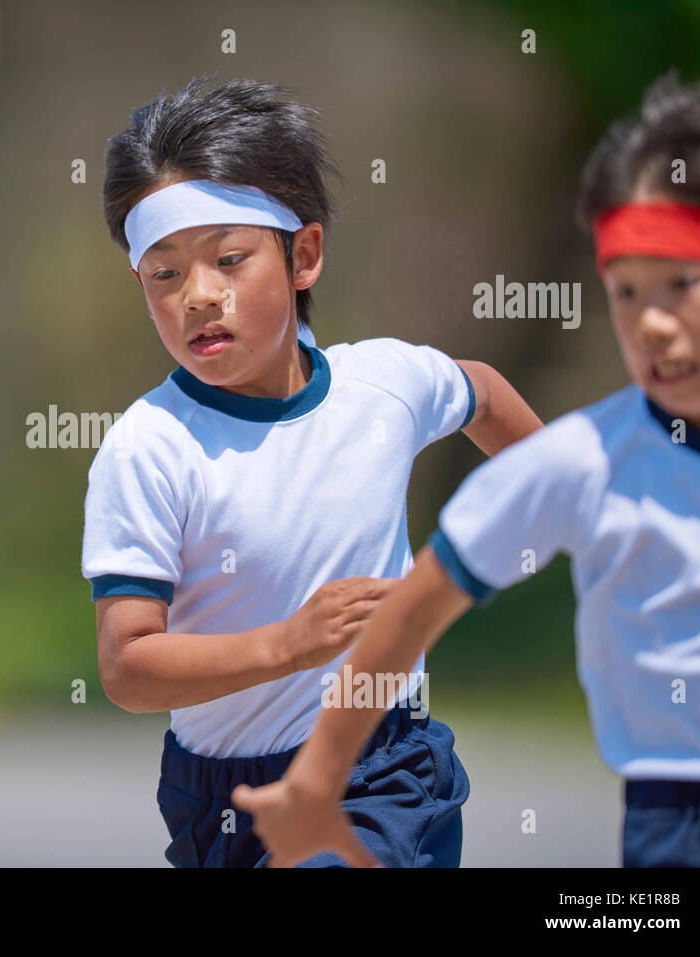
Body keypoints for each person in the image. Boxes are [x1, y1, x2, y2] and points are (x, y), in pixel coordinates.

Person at [235, 72, 700, 869]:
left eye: (683, 284)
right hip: (677, 818)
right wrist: (317, 780)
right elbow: (406, 615)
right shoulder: (581, 462)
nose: (652, 322)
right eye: (626, 290)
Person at [83, 76, 543, 867]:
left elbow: (483, 393)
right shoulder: (148, 446)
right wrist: (288, 644)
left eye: (229, 259)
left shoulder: (383, 385)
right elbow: (128, 665)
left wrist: (583, 507)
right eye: (164, 274)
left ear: (304, 255)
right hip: (219, 800)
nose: (198, 295)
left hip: (383, 769)